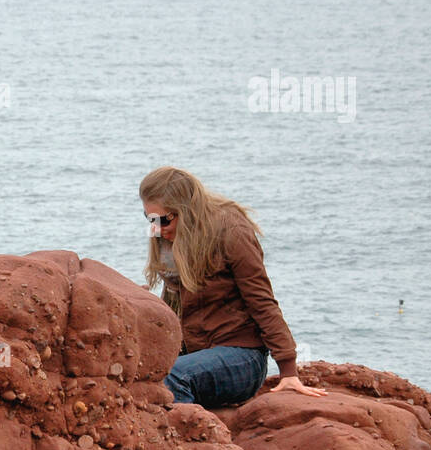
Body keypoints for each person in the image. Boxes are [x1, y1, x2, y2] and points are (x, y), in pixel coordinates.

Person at [139, 166, 327, 408]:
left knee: (172, 377)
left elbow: (262, 300)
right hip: (199, 352)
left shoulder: (231, 232)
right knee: (142, 374)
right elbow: (175, 304)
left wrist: (288, 370)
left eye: (163, 220)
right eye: (150, 219)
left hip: (242, 356)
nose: (156, 228)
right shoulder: (171, 240)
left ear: (185, 211)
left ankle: (189, 440)